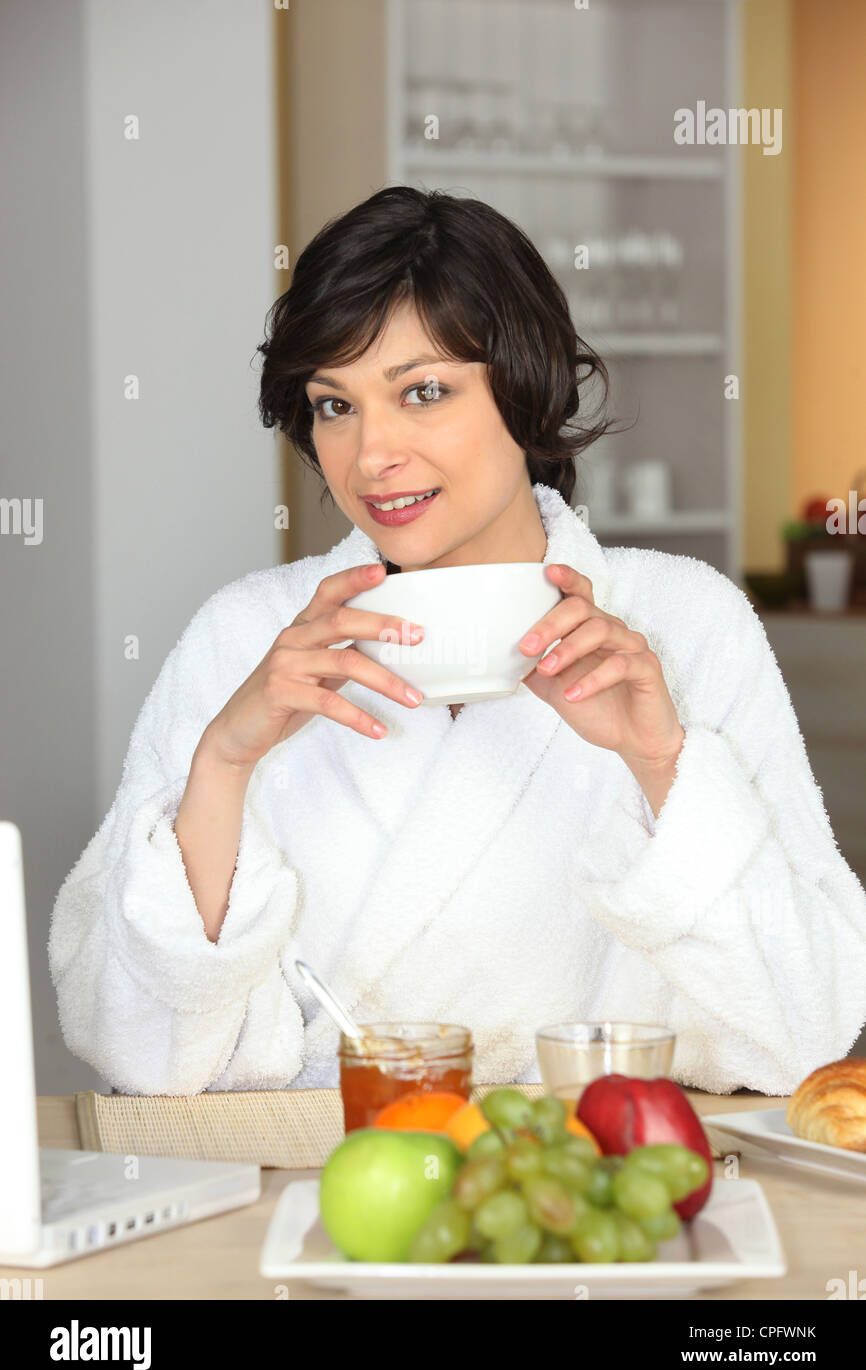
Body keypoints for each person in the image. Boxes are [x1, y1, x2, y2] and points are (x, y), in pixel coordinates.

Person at [49, 187, 866, 1098]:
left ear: (527, 387)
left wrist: (661, 763)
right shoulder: (245, 636)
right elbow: (139, 1050)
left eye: (423, 392)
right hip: (311, 1199)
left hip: (597, 1199)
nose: (369, 456)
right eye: (334, 406)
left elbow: (805, 1036)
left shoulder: (682, 622)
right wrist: (223, 764)